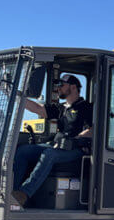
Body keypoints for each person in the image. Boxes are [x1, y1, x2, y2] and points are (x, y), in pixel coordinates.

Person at [11, 74, 93, 206]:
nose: (58, 88)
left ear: (73, 87)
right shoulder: (61, 108)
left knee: (48, 154)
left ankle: (24, 194)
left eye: (61, 85)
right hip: (57, 145)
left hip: (75, 150)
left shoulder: (87, 107)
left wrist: (76, 139)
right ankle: (12, 193)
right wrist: (16, 96)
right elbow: (38, 108)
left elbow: (93, 129)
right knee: (23, 151)